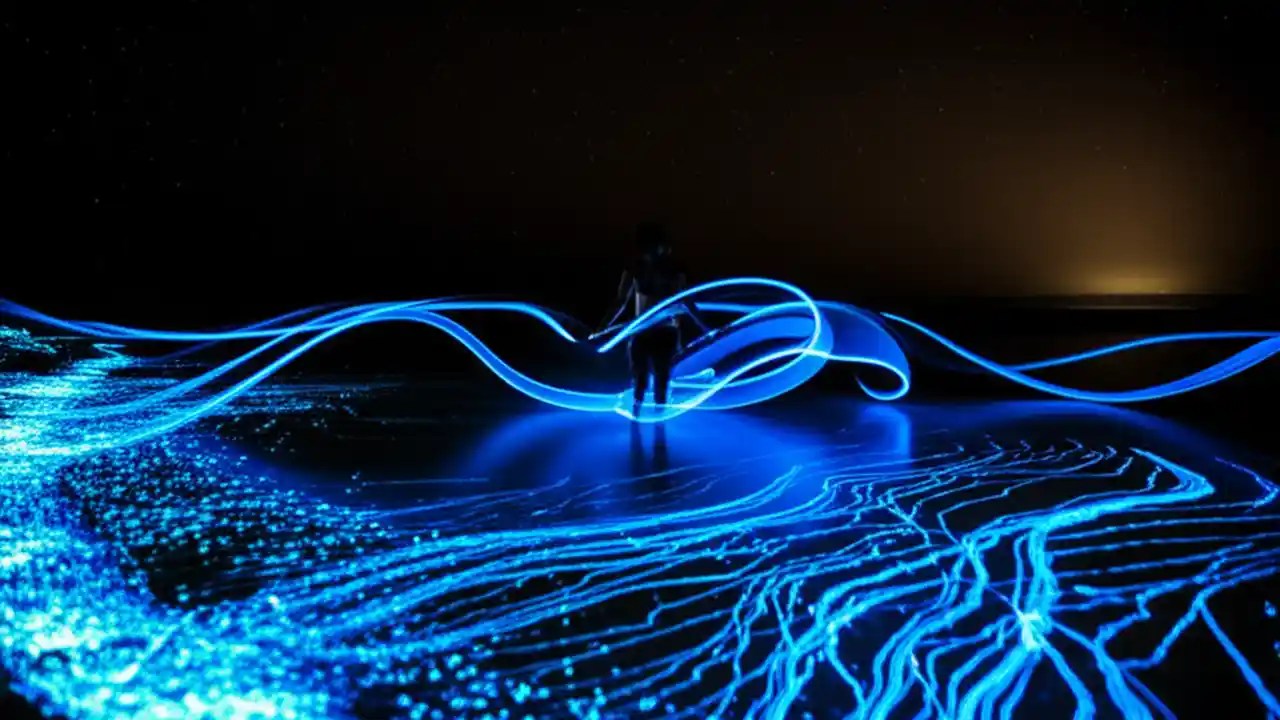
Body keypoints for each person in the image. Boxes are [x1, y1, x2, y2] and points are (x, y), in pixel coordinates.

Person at [599, 222, 695, 418]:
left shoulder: (673, 270)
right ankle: (637, 423)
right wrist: (602, 328)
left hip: (665, 332)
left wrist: (706, 327)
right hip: (643, 331)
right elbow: (620, 302)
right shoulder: (636, 269)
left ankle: (657, 427)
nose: (654, 250)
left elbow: (685, 300)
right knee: (640, 383)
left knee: (661, 383)